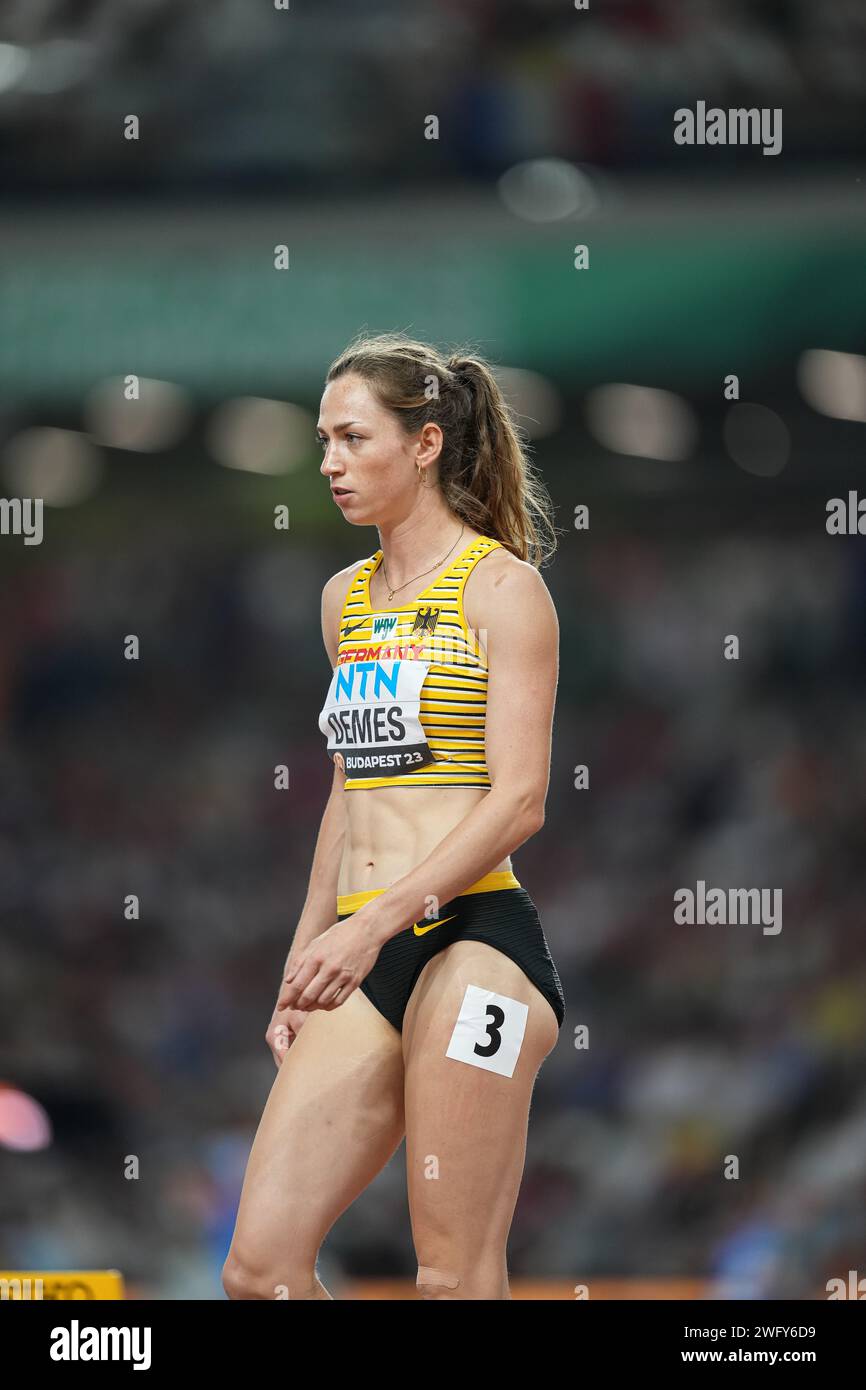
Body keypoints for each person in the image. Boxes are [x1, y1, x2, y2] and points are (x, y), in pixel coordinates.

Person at [222, 331, 565, 1301]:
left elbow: (520, 800)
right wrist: (305, 952)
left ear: (422, 444)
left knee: (451, 1278)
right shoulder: (345, 600)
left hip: (474, 942)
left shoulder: (503, 589)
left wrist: (375, 920)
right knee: (257, 1270)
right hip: (363, 945)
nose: (328, 462)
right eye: (322, 440)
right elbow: (348, 788)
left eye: (351, 438)